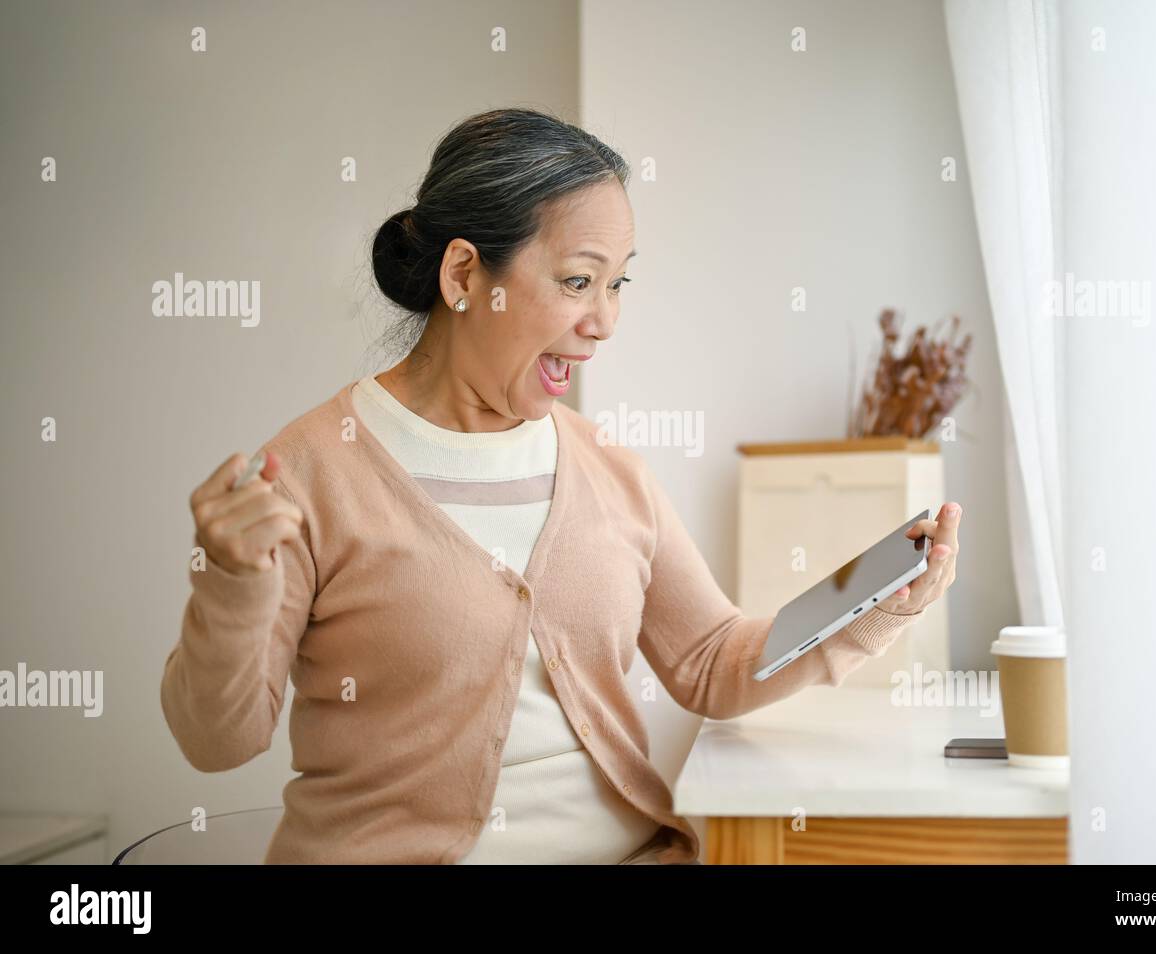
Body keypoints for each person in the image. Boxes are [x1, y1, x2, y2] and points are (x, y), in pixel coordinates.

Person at [161, 107, 962, 865]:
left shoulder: (610, 471)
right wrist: (232, 585)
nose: (605, 321)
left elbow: (715, 662)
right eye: (580, 281)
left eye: (619, 284)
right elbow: (217, 741)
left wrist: (877, 595)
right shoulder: (307, 473)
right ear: (465, 274)